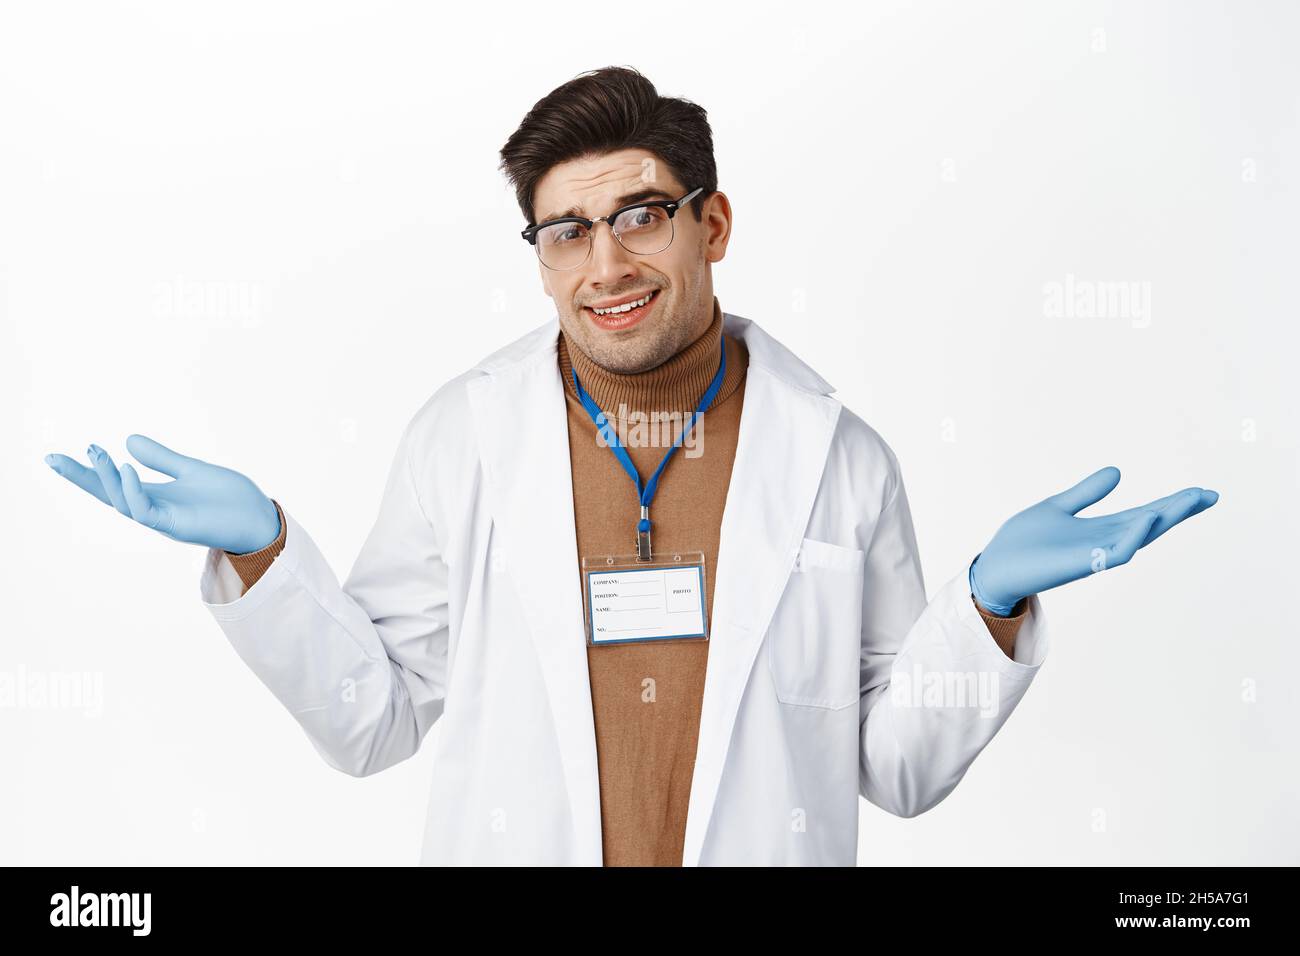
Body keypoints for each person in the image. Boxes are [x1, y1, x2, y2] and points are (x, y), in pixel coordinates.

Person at [44, 66, 1218, 866]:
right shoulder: (464, 433)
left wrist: (986, 608)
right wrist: (262, 557)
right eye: (567, 230)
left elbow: (891, 767)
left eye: (642, 215)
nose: (606, 262)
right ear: (541, 255)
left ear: (709, 224)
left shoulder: (837, 457)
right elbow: (375, 722)